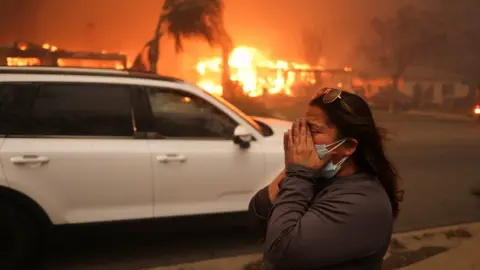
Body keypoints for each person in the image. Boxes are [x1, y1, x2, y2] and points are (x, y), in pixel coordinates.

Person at [248, 88, 403, 270]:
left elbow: (281, 251)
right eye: (302, 127)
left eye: (312, 130)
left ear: (347, 146)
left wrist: (298, 172)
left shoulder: (363, 202)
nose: (301, 137)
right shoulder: (313, 177)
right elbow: (258, 215)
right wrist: (293, 167)